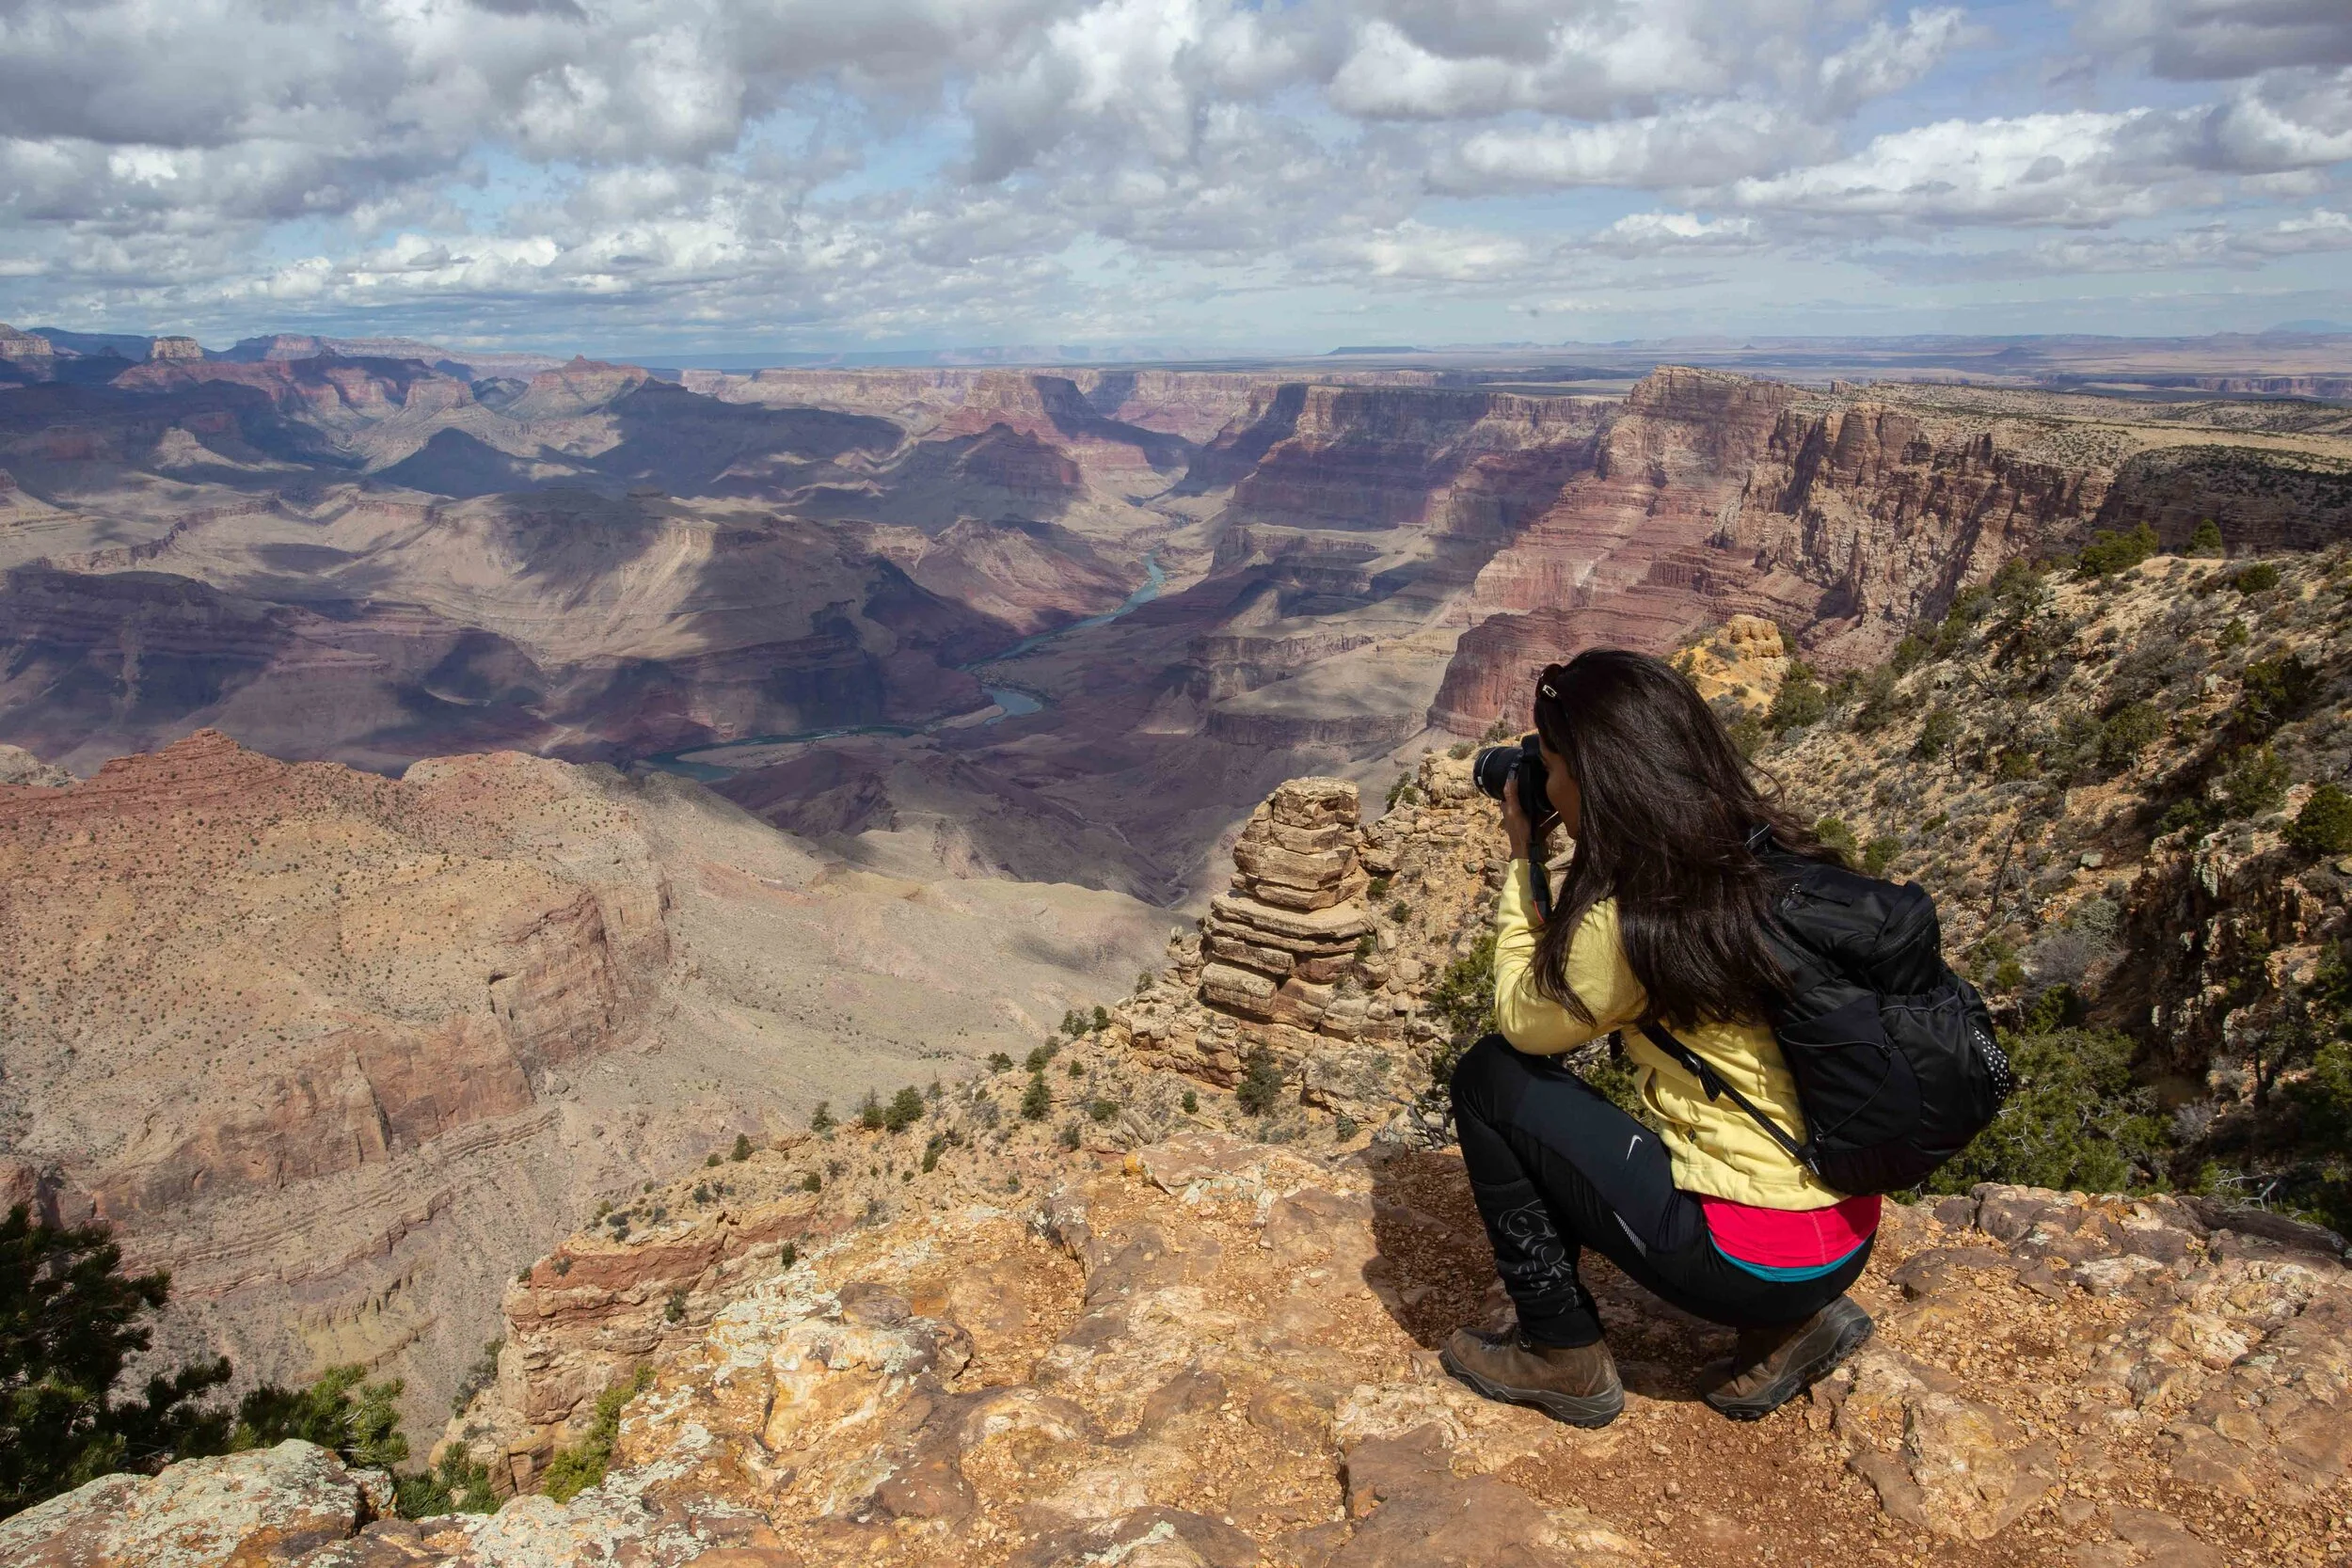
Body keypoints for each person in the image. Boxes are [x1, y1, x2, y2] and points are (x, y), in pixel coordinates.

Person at [1440, 648, 1878, 1428]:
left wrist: (1523, 857)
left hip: (1749, 1260)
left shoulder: (1637, 915)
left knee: (1488, 1078)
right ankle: (1794, 1323)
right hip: (1844, 1240)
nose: (1545, 781)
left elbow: (1523, 1020)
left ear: (1596, 779)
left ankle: (1559, 1347)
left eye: (1552, 765)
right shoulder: (1767, 850)